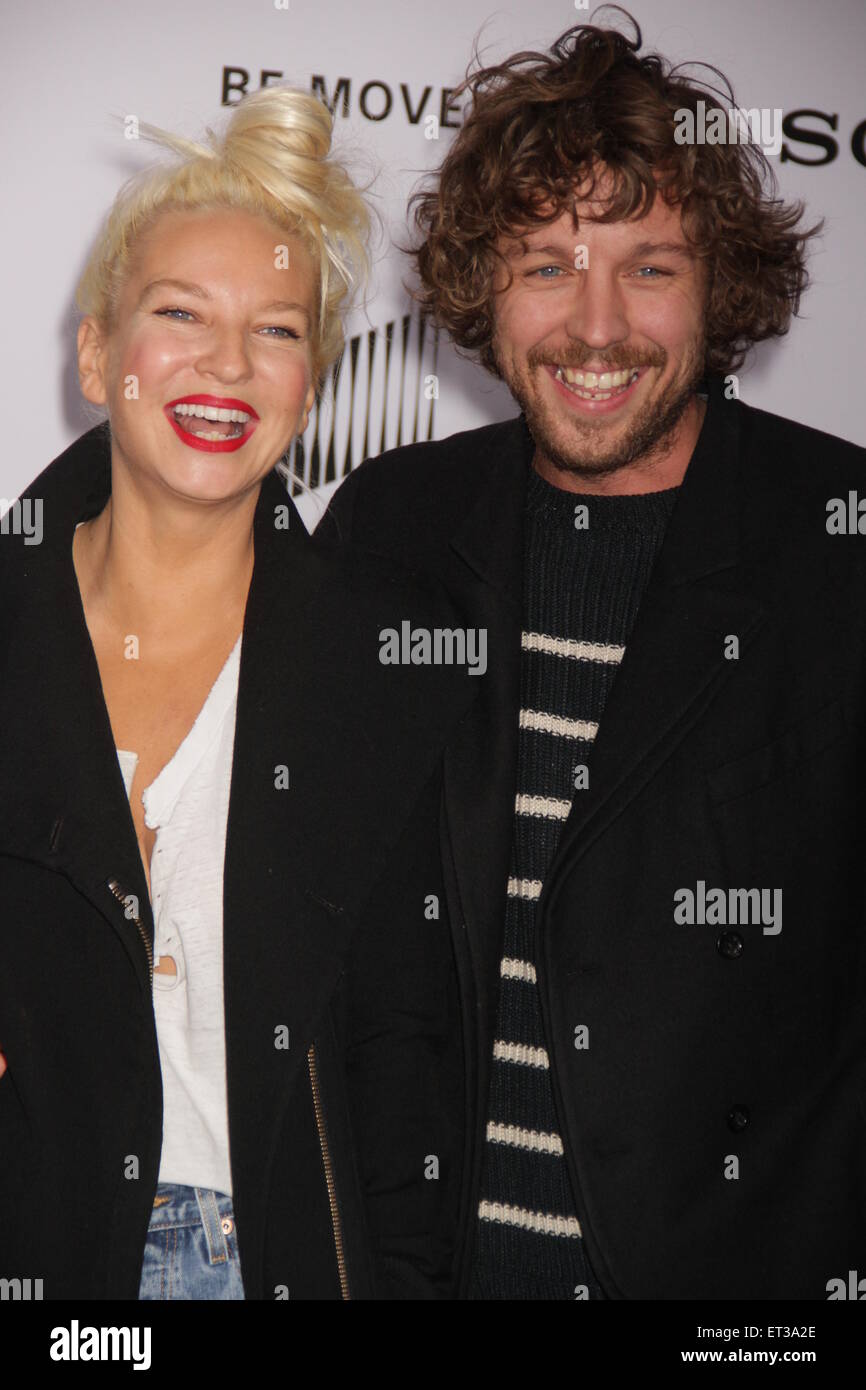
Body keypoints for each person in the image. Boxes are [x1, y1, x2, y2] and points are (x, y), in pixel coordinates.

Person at [319, 14, 866, 1299]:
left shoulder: (838, 547)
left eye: (649, 267)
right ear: (483, 287)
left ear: (720, 284)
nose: (597, 326)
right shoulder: (384, 532)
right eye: (547, 265)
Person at [0, 86, 475, 1299]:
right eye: (179, 313)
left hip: (275, 1258)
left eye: (275, 330)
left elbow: (406, 1048)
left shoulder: (382, 660)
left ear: (308, 387)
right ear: (98, 353)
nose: (225, 362)